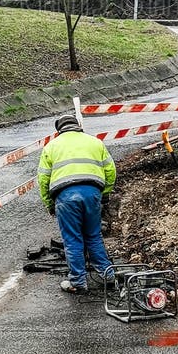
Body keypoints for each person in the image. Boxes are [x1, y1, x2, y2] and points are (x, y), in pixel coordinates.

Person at [38, 113, 116, 294]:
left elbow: (43, 179)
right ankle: (108, 275)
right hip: (92, 192)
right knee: (93, 235)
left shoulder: (51, 146)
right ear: (78, 125)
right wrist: (105, 194)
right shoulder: (95, 142)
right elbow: (110, 170)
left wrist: (49, 203)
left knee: (72, 239)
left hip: (65, 196)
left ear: (59, 130)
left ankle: (78, 282)